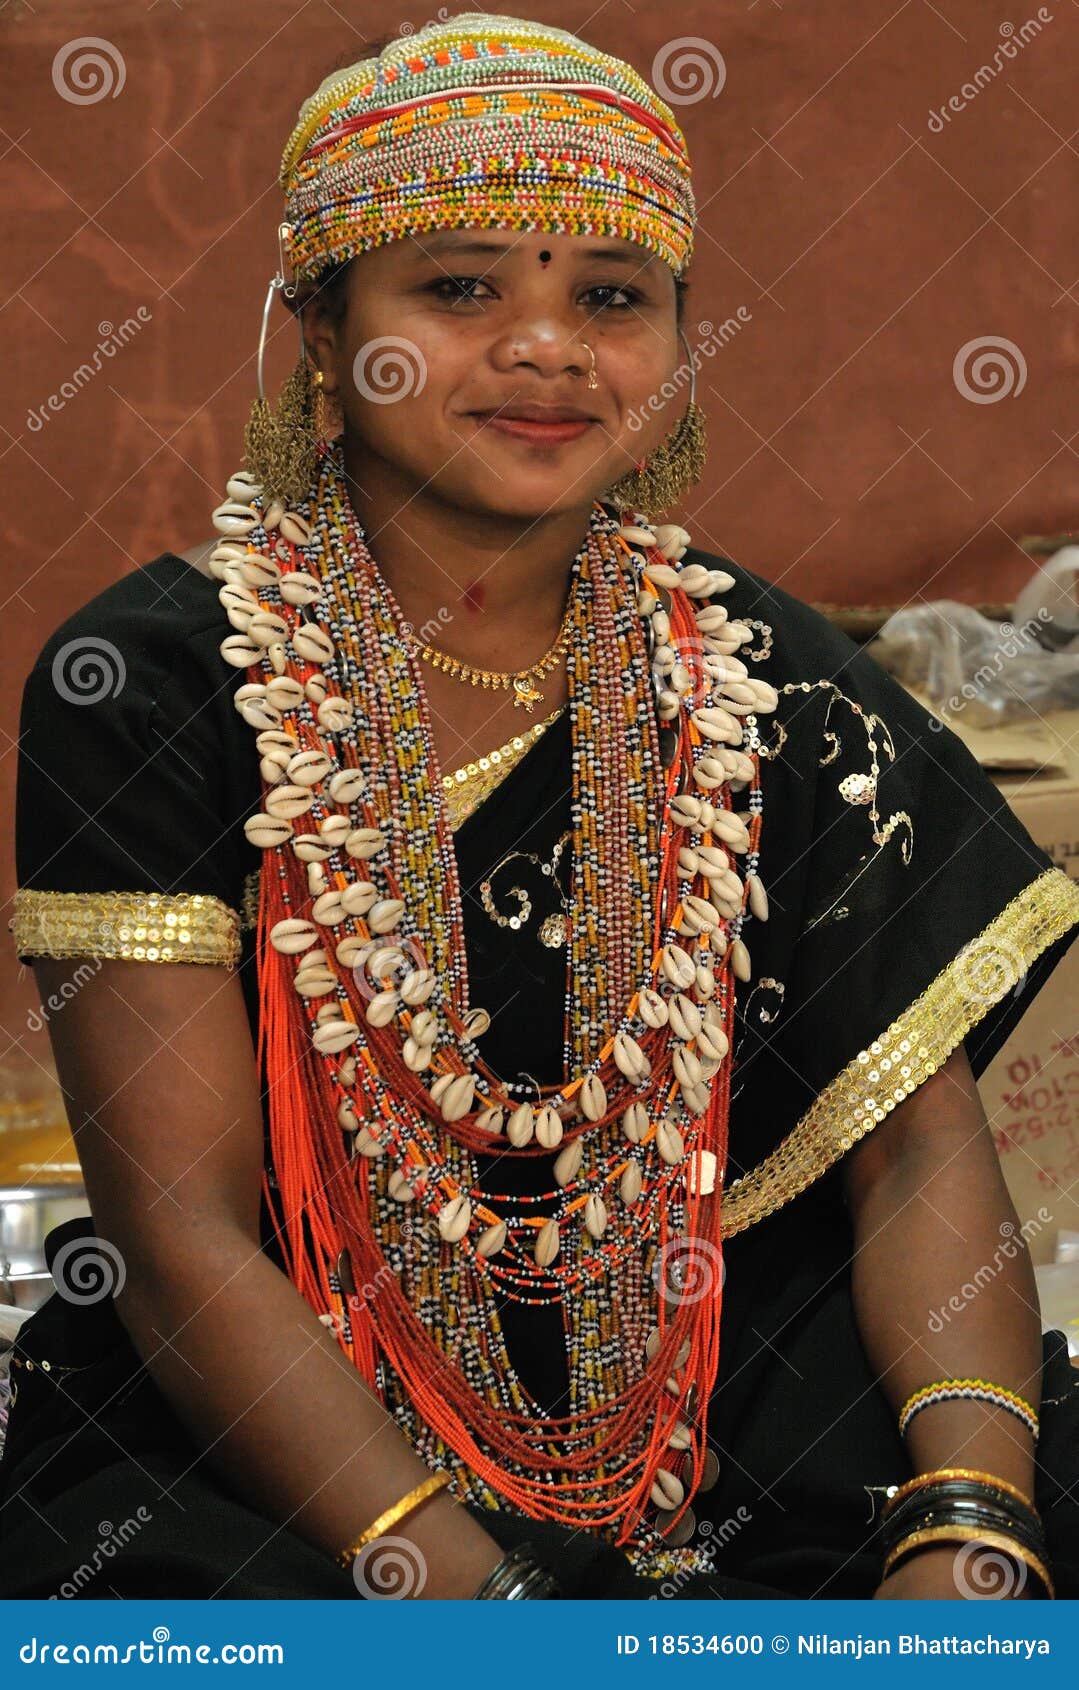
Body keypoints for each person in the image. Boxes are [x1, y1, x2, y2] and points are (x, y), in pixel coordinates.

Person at [3, 12, 1079, 1603]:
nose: (548, 346)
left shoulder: (765, 680)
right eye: (458, 288)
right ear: (319, 328)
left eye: (612, 298)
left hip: (747, 1398)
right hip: (289, 1427)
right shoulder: (160, 681)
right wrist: (464, 1596)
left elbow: (921, 1166)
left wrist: (971, 1521)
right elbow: (185, 1235)